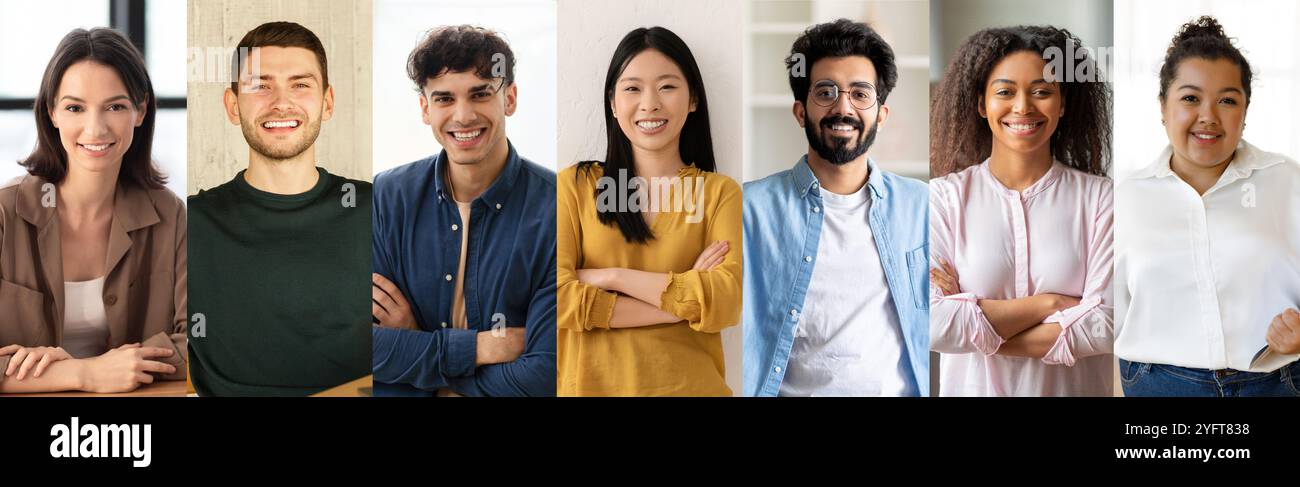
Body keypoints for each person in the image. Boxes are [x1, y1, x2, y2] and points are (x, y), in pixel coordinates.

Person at [744, 19, 930, 397]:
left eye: (860, 94)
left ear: (882, 114)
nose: (843, 107)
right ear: (800, 111)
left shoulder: (923, 207)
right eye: (825, 92)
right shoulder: (749, 210)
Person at [1116, 16, 1300, 396]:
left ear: (1245, 112)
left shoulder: (1287, 180)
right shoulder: (1125, 197)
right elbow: (1102, 309)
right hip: (1159, 384)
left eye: (1227, 101)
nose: (1208, 117)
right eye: (1190, 98)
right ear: (1163, 107)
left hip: (1276, 381)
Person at [370, 25, 556, 396]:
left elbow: (543, 373)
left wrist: (415, 343)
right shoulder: (386, 198)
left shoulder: (557, 208)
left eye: (480, 94)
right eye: (443, 99)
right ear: (426, 109)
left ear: (511, 99)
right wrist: (480, 348)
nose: (463, 115)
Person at [929, 25, 1114, 396]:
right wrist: (1054, 304)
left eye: (1042, 92)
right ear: (982, 104)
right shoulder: (942, 199)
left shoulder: (1101, 199)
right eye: (1005, 92)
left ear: (1063, 104)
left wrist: (977, 325)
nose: (1023, 107)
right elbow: (929, 324)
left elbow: (1106, 324)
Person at [187, 21, 370, 396]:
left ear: (328, 102)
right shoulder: (190, 223)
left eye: (300, 85)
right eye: (260, 85)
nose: (281, 102)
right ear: (233, 105)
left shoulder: (379, 211)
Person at [556, 26, 742, 396]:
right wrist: (682, 303)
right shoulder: (574, 187)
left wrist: (610, 276)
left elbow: (725, 302)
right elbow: (554, 297)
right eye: (632, 88)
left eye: (668, 86)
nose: (650, 103)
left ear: (693, 100)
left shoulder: (719, 193)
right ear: (612, 103)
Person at [0, 27, 185, 394]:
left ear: (140, 110)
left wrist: (124, 368)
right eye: (74, 107)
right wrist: (86, 373)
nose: (95, 128)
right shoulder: (5, 214)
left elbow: (206, 340)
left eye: (115, 106)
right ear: (52, 112)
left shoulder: (169, 215)